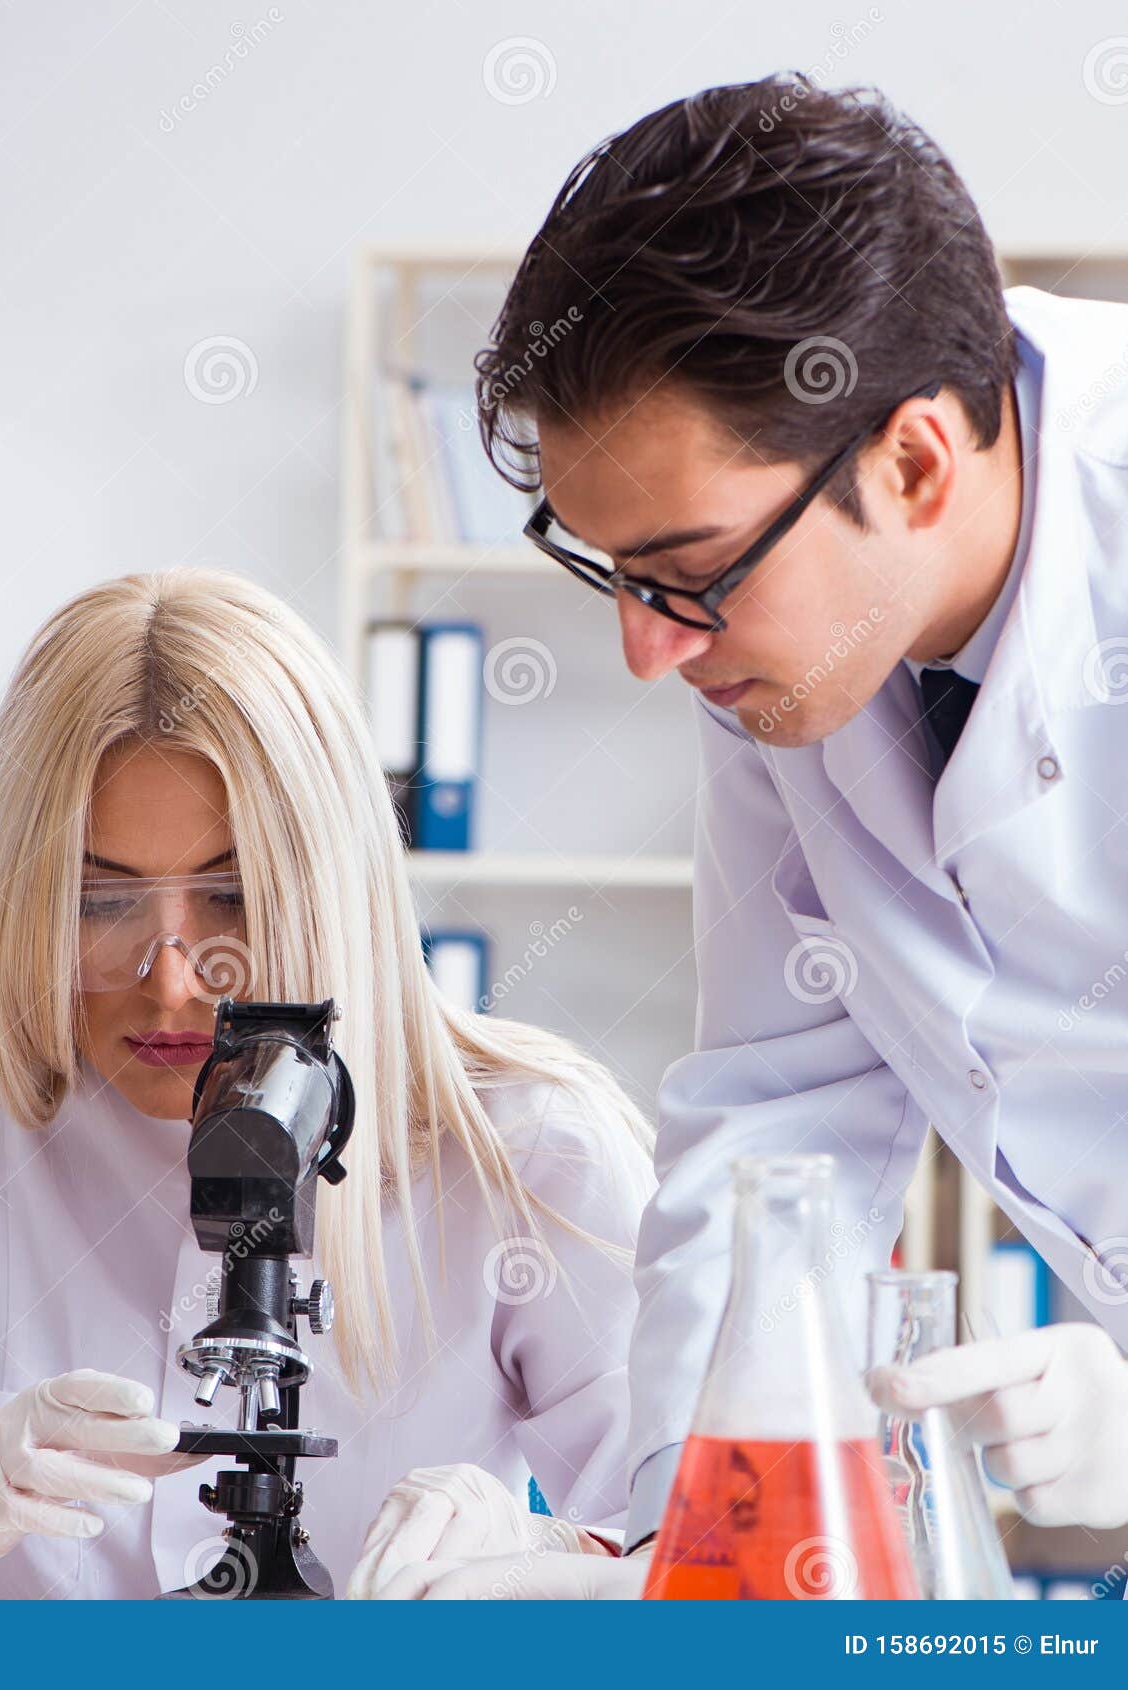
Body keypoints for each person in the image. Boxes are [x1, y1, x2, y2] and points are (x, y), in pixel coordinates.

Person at [368, 71, 1128, 1597]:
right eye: (613, 576)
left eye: (687, 571)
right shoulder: (787, 669)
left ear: (914, 461)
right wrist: (684, 1529)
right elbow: (781, 1111)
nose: (652, 653)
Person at [0, 568, 653, 1598]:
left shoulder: (527, 1149)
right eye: (99, 898)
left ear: (331, 889)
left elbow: (717, 1565)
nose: (170, 978)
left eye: (231, 896)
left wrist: (554, 1556)